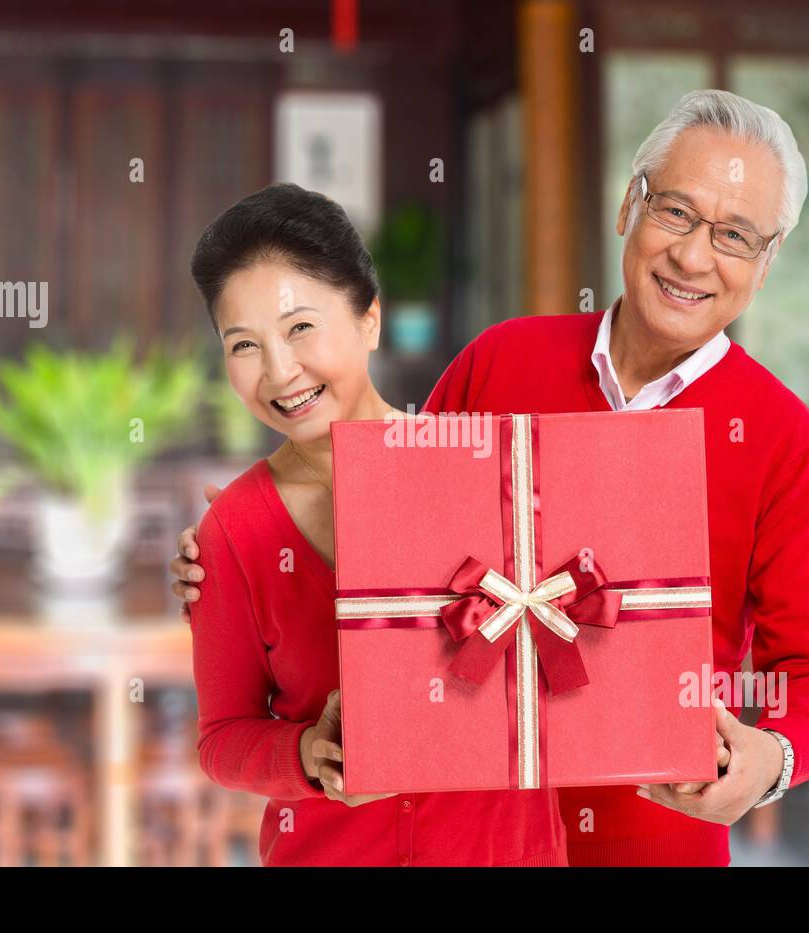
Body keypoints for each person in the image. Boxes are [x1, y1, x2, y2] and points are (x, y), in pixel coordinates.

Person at [173, 90, 809, 866]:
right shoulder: (500, 362)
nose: (694, 257)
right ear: (627, 208)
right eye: (674, 212)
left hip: (656, 837)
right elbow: (389, 539)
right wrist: (240, 544)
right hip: (466, 836)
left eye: (735, 235)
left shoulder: (784, 440)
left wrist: (770, 761)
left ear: (766, 263)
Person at [183, 182, 580, 865]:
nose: (280, 371)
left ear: (369, 319)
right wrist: (308, 754)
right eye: (243, 345)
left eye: (301, 327)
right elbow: (222, 739)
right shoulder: (233, 530)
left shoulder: (496, 474)